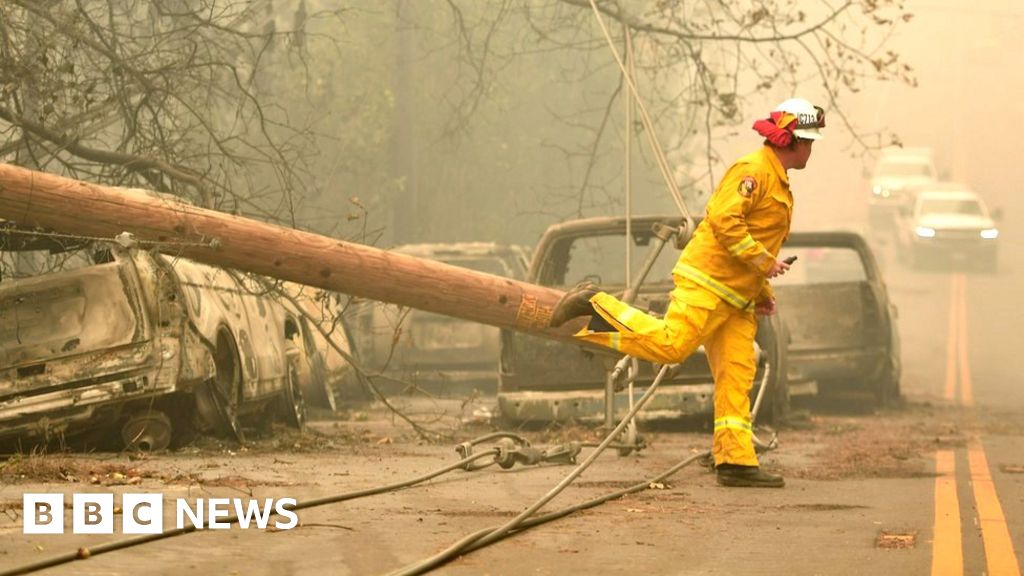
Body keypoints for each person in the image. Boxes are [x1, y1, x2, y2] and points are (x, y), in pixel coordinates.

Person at [549, 98, 825, 488]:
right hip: (707, 284)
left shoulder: (775, 178)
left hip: (735, 298)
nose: (812, 149)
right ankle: (593, 304)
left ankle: (736, 461)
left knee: (736, 376)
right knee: (671, 345)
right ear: (790, 140)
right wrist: (765, 265)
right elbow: (724, 222)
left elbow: (756, 239)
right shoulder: (753, 171)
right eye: (809, 142)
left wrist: (761, 288)